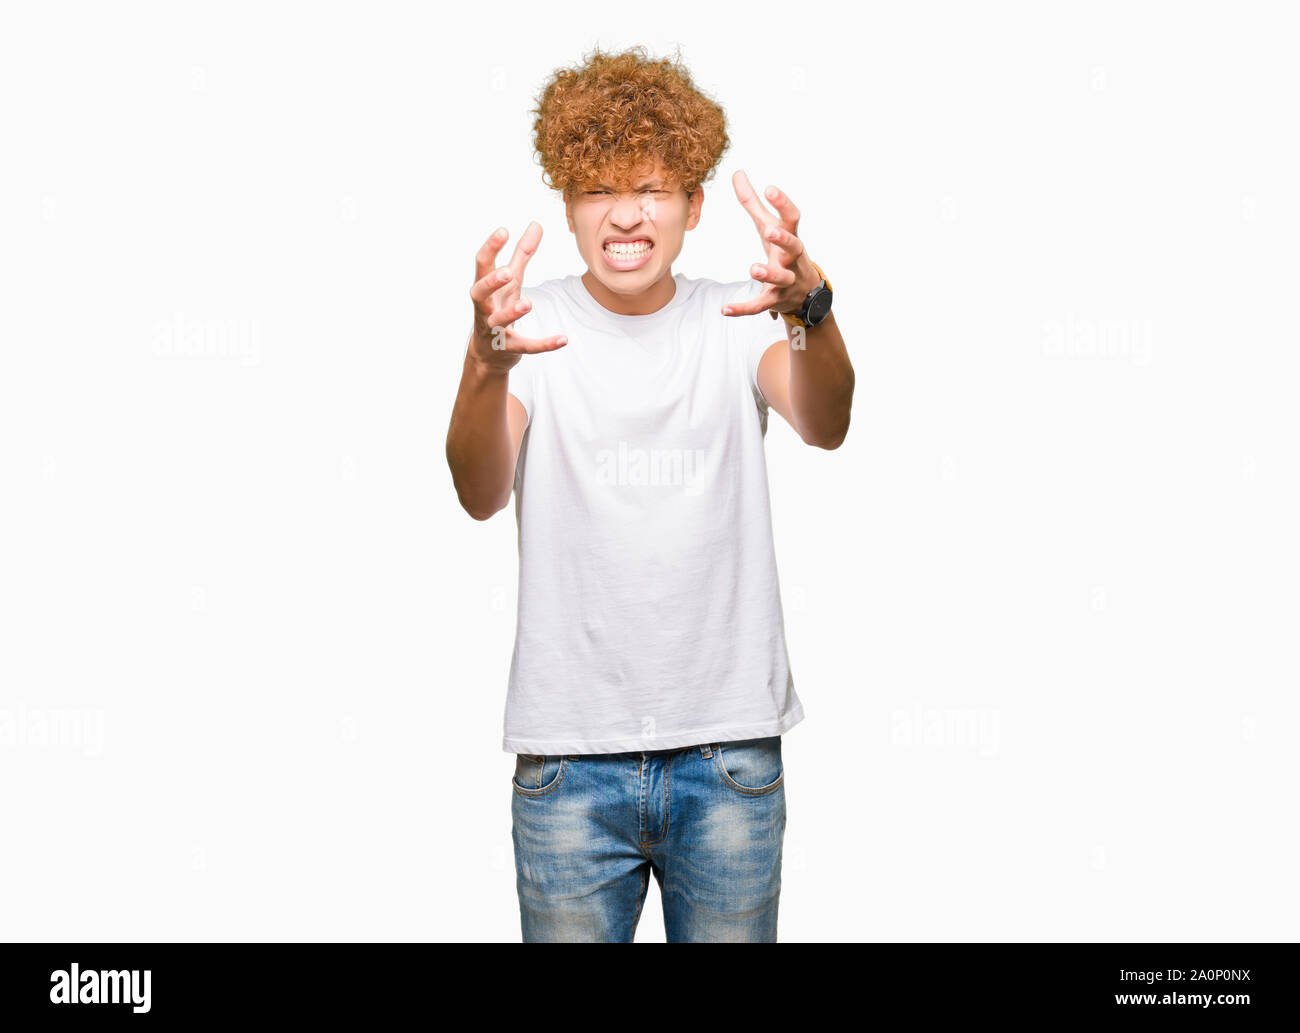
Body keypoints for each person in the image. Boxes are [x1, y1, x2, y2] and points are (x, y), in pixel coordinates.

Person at [445, 45, 854, 942]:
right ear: (567, 201)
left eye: (654, 187)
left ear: (694, 204)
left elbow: (827, 422)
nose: (625, 213)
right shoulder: (532, 326)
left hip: (729, 757)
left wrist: (812, 308)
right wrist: (483, 365)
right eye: (598, 187)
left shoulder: (738, 318)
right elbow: (478, 491)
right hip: (567, 768)